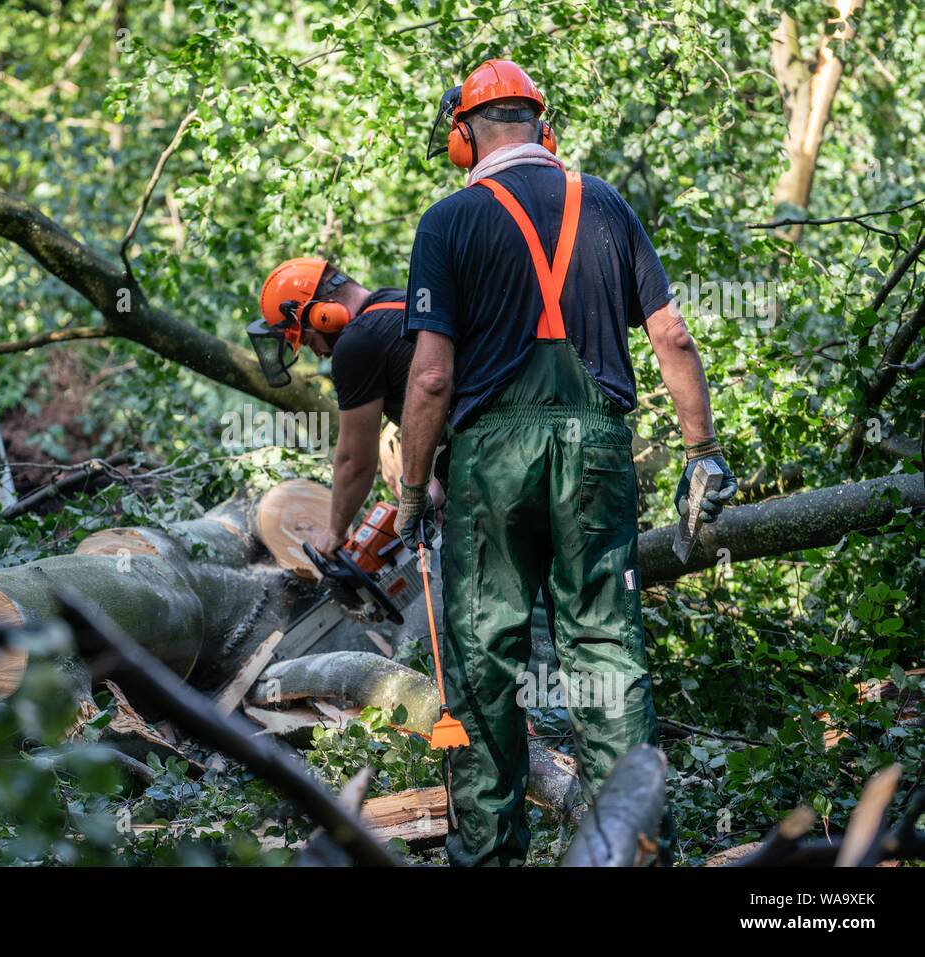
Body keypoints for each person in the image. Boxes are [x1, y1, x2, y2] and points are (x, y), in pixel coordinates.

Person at [396, 59, 738, 866]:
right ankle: (638, 847)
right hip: (596, 451)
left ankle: (487, 854)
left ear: (463, 135)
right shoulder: (608, 205)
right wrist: (703, 453)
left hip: (491, 456)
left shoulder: (448, 222)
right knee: (605, 646)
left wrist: (413, 488)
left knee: (487, 655)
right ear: (542, 127)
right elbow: (674, 337)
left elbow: (432, 375)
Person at [249, 257, 445, 556]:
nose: (318, 351)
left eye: (308, 338)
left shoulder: (358, 341)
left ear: (322, 316)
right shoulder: (396, 301)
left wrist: (334, 532)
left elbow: (354, 462)